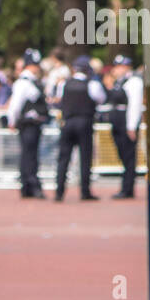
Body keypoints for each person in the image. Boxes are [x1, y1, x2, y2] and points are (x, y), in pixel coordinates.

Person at [55, 55, 105, 201]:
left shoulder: (64, 84)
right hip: (85, 122)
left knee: (63, 158)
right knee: (85, 158)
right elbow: (100, 98)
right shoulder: (92, 84)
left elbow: (59, 100)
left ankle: (59, 192)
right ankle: (85, 191)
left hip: (67, 122)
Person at [8, 49, 49, 199]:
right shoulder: (23, 83)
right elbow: (15, 104)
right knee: (29, 155)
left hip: (33, 124)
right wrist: (12, 120)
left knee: (29, 154)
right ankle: (30, 184)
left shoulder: (32, 81)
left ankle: (28, 186)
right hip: (28, 124)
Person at [103, 56, 144, 199]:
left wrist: (131, 126)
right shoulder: (118, 82)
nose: (116, 69)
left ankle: (128, 188)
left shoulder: (134, 82)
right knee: (122, 154)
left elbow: (135, 105)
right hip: (117, 121)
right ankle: (126, 186)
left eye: (120, 66)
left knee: (129, 156)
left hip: (126, 122)